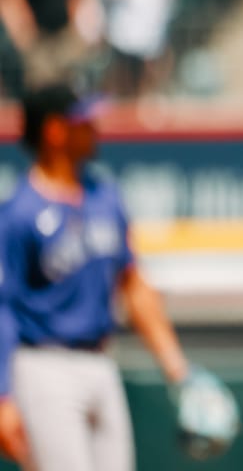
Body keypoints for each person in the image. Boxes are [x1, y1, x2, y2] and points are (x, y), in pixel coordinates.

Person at [0, 84, 193, 470]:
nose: (94, 128)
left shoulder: (105, 198)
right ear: (55, 131)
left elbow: (133, 285)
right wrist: (3, 398)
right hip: (43, 366)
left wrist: (179, 370)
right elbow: (3, 311)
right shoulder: (18, 213)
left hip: (102, 363)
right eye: (83, 121)